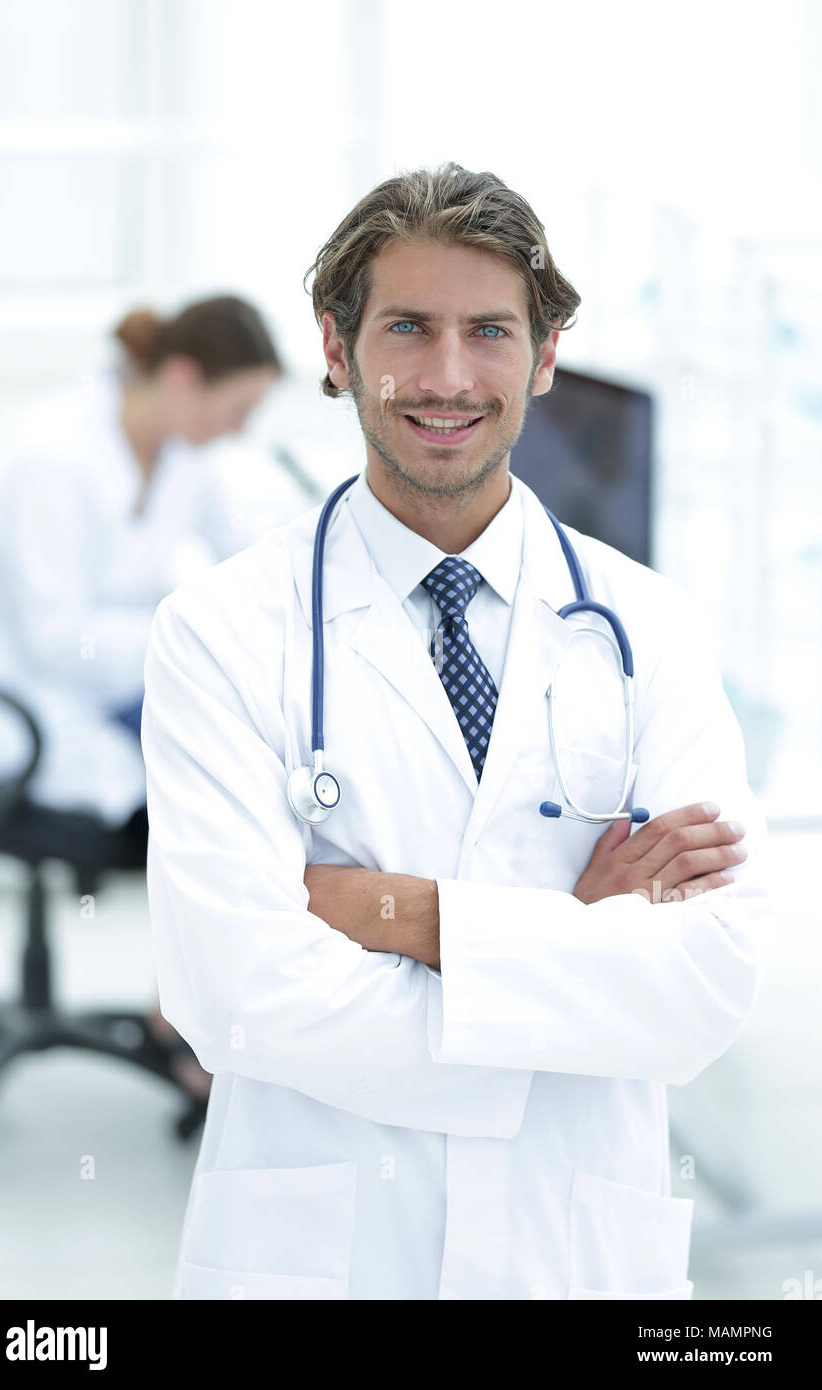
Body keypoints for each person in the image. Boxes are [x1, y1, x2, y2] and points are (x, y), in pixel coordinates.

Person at [140, 163, 772, 1300]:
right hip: (320, 1260)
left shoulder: (650, 628)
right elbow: (233, 991)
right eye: (405, 328)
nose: (444, 376)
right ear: (336, 352)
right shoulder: (220, 633)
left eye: (487, 330)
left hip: (569, 1256)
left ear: (544, 354)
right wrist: (569, 942)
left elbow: (702, 987)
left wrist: (400, 912)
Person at [0, 294, 286, 1100]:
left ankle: (187, 1008)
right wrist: (189, 640)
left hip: (102, 692)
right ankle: (187, 1017)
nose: (240, 430)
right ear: (181, 378)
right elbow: (56, 639)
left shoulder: (180, 453)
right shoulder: (53, 455)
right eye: (235, 407)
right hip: (22, 707)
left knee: (263, 748)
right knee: (235, 788)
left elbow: (255, 543)